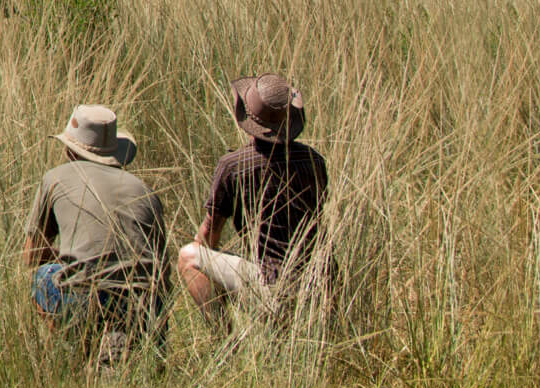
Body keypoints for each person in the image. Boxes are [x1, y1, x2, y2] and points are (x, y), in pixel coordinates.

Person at [177, 74, 329, 320]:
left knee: (189, 256)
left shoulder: (234, 165)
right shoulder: (314, 160)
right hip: (320, 285)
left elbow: (208, 237)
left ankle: (222, 340)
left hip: (274, 287)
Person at [24, 104, 168, 359]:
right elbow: (162, 269)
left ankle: (74, 352)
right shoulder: (144, 189)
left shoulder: (55, 177)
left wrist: (63, 255)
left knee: (43, 275)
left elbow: (31, 255)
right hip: (145, 306)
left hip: (86, 300)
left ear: (70, 150)